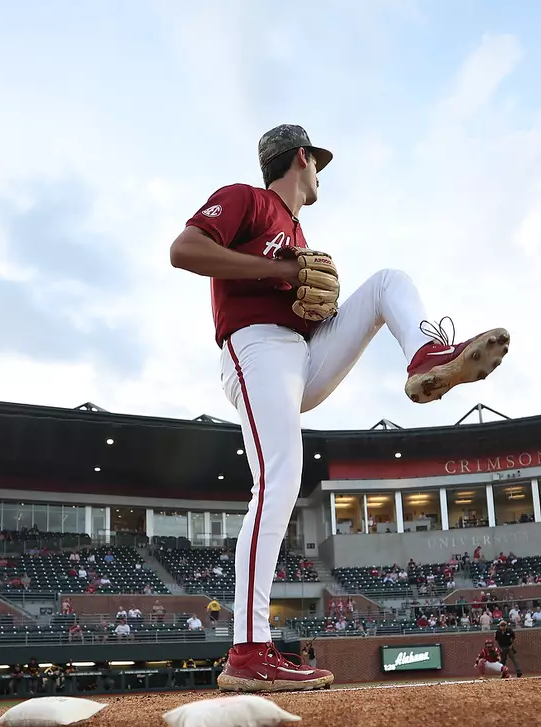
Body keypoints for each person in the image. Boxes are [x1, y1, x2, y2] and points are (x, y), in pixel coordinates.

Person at [172, 124, 508, 692]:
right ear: (301, 159)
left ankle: (425, 354)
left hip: (301, 352)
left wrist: (314, 307)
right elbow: (184, 251)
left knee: (386, 283)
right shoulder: (246, 199)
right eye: (317, 164)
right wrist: (282, 272)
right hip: (254, 348)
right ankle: (248, 651)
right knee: (279, 481)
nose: (320, 175)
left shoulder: (300, 234)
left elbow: (302, 299)